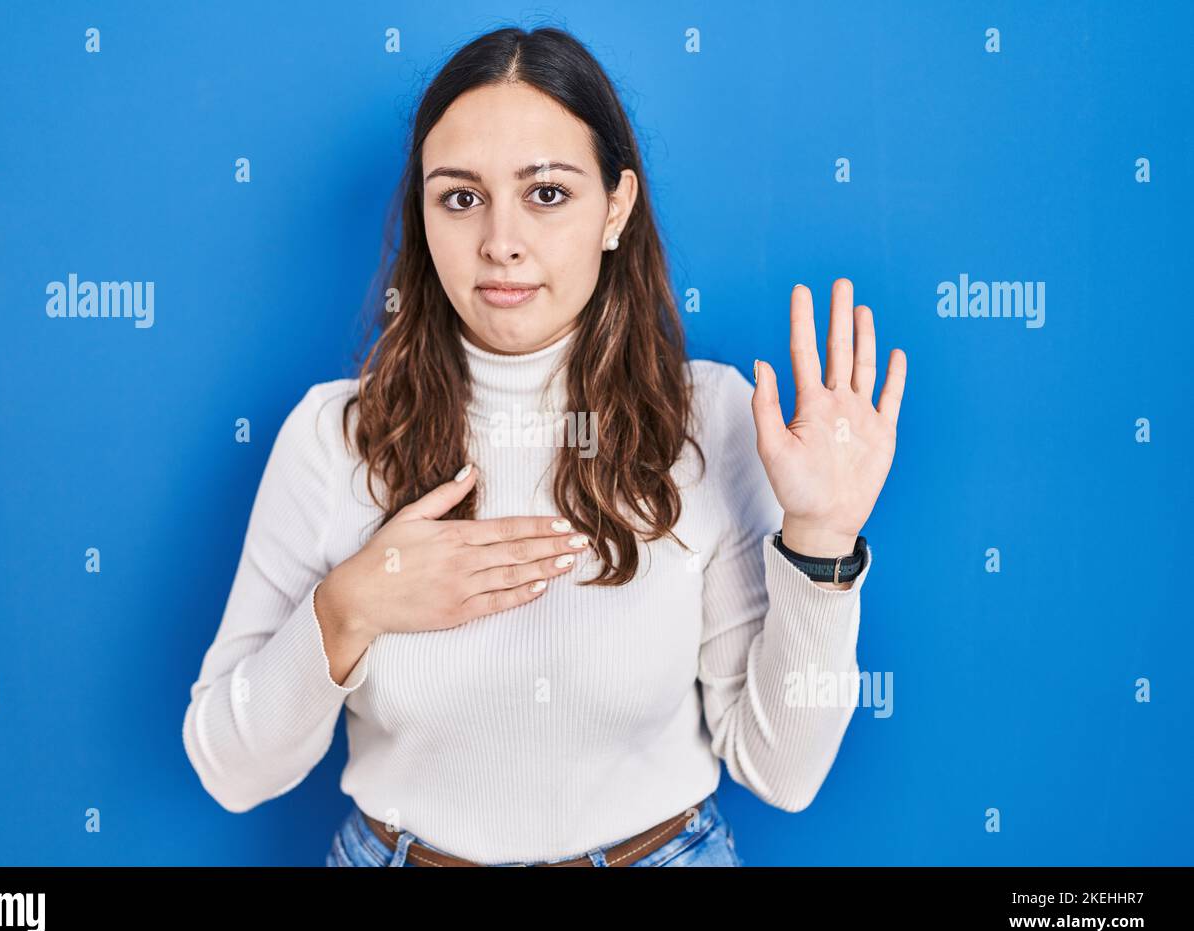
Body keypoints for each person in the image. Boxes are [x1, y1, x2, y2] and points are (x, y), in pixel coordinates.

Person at [182, 25, 906, 867]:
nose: (500, 241)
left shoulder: (709, 420)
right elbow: (229, 771)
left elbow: (783, 773)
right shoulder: (333, 437)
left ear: (616, 208)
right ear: (423, 213)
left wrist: (821, 544)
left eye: (548, 194)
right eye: (460, 197)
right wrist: (353, 605)